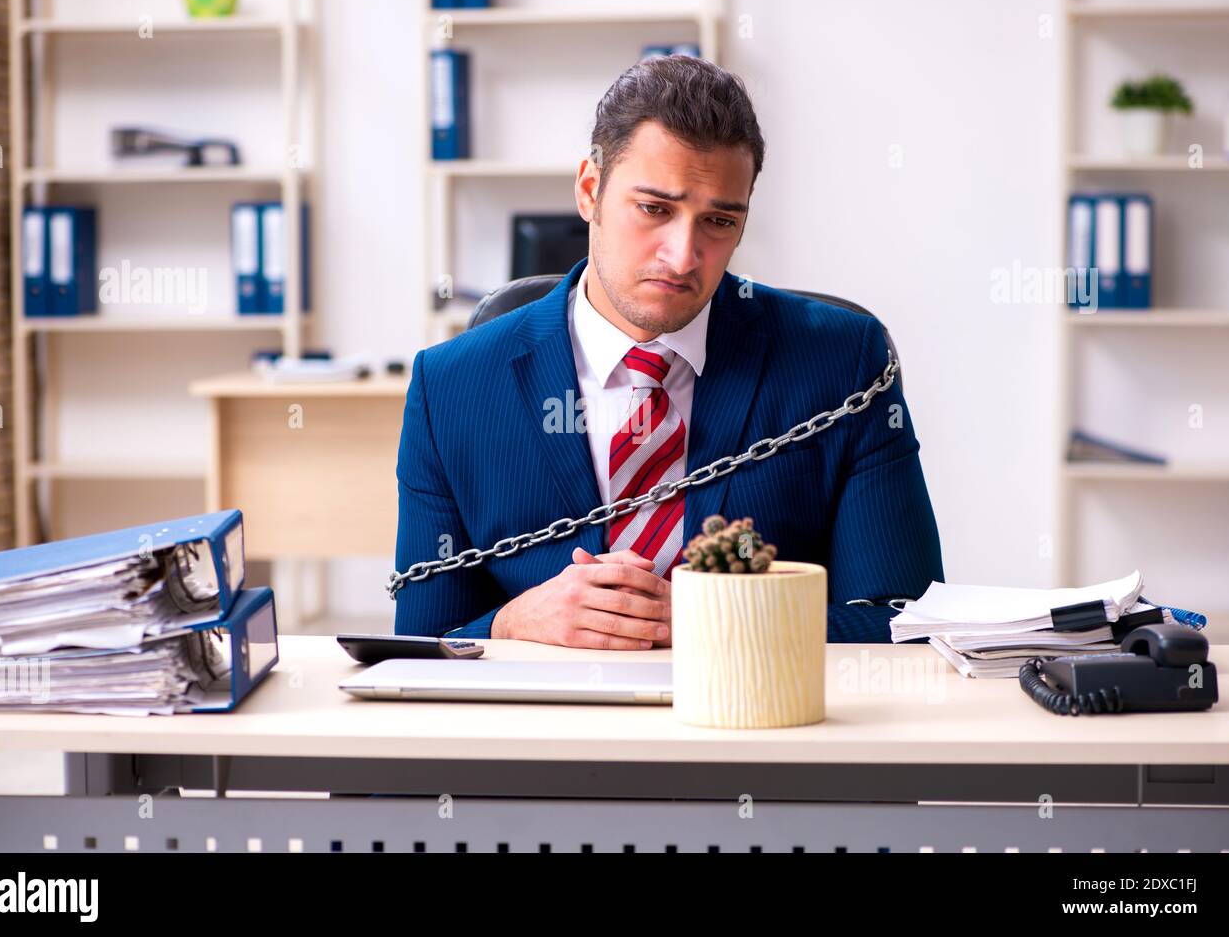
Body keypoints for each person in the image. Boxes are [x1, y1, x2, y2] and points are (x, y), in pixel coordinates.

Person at [394, 55, 942, 647]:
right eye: (655, 209)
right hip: (548, 732)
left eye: (718, 221)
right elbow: (421, 640)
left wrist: (718, 619)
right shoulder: (451, 386)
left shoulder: (844, 365)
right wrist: (511, 623)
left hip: (759, 727)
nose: (683, 256)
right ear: (589, 190)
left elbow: (905, 622)